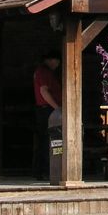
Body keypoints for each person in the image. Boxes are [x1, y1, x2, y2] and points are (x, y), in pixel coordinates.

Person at [32, 49, 61, 181]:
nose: (58, 64)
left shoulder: (48, 72)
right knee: (47, 140)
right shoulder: (43, 72)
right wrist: (57, 108)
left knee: (48, 140)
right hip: (47, 110)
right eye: (57, 61)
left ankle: (46, 170)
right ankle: (43, 171)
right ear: (50, 60)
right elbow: (44, 91)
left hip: (49, 109)